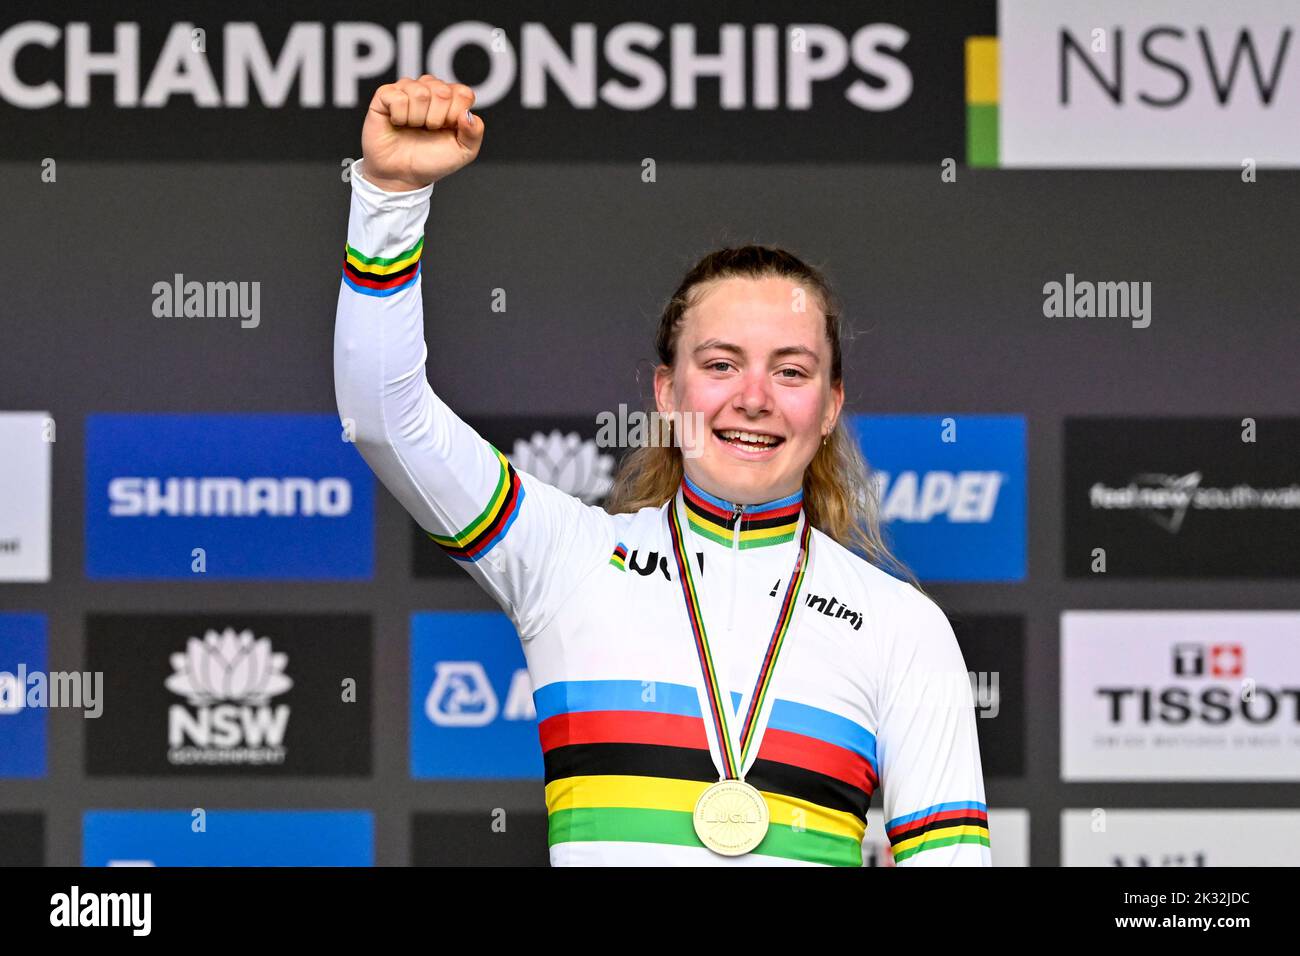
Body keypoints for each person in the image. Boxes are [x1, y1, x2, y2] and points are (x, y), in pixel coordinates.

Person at [335, 74, 991, 866]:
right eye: (721, 364)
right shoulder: (568, 560)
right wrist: (391, 197)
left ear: (829, 405)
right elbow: (383, 417)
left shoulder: (902, 627)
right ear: (666, 391)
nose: (753, 399)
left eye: (791, 371)